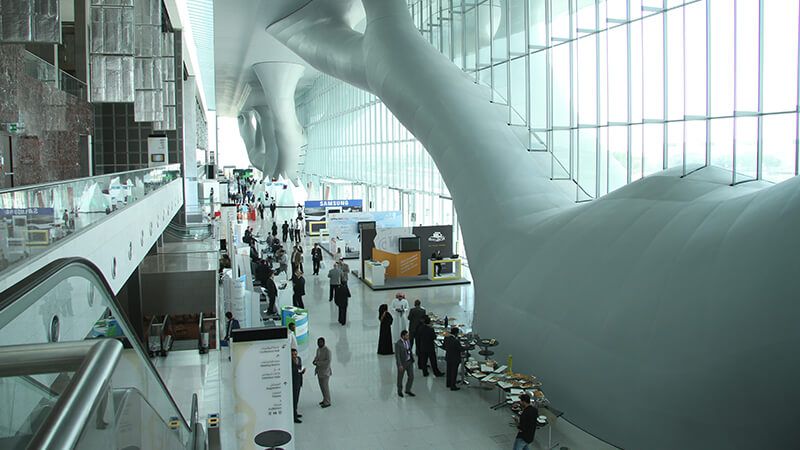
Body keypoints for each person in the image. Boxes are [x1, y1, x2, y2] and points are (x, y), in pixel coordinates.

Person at [312, 337, 332, 408]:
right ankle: (324, 399)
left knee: (325, 387)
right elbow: (317, 356)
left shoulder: (327, 351)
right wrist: (314, 360)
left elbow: (327, 362)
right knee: (322, 387)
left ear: (323, 342)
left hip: (325, 373)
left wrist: (318, 363)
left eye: (320, 343)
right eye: (318, 343)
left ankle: (328, 402)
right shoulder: (318, 349)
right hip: (319, 372)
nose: (318, 344)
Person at [394, 330, 415, 397]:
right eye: (407, 335)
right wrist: (399, 365)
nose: (408, 336)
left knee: (411, 376)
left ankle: (408, 390)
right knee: (400, 378)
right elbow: (397, 355)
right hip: (402, 363)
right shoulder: (398, 344)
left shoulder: (408, 341)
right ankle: (399, 391)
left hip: (409, 361)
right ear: (403, 336)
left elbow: (409, 350)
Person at [291, 348, 305, 423]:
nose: (294, 356)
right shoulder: (289, 361)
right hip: (293, 382)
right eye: (292, 354)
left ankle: (295, 412)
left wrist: (302, 370)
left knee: (297, 399)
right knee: (294, 399)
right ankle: (294, 416)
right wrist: (297, 370)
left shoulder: (299, 359)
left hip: (299, 381)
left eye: (295, 354)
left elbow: (300, 367)